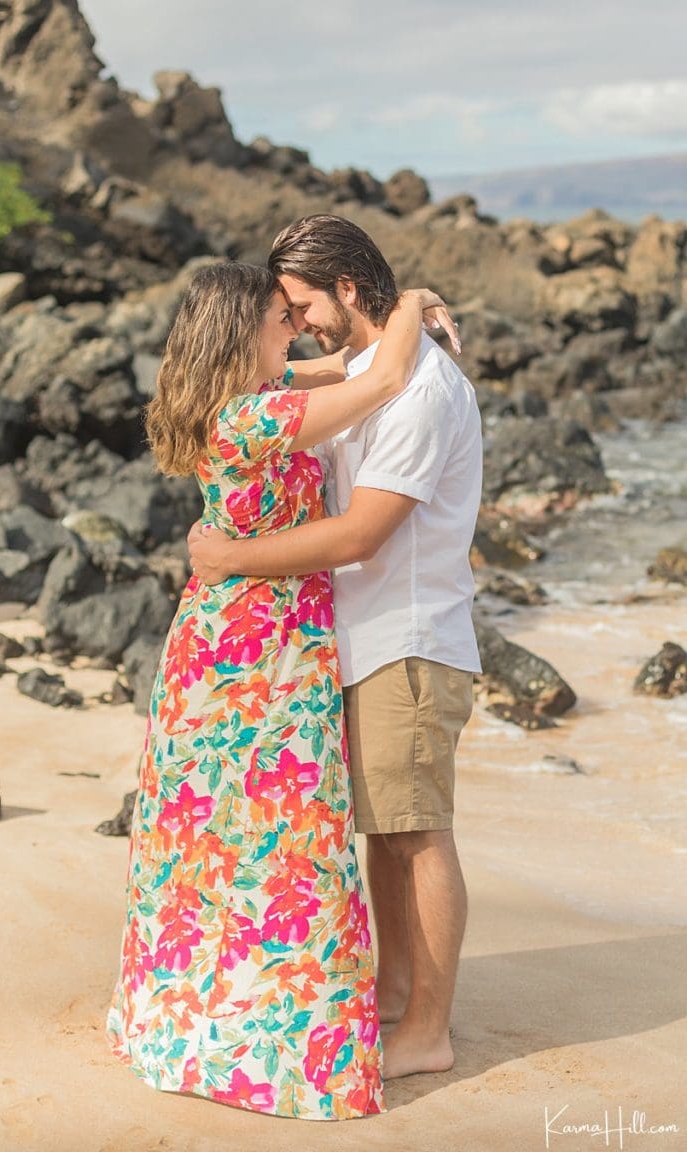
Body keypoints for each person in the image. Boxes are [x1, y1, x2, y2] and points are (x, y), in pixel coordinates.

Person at [106, 260, 451, 1120]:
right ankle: (277, 1029)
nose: (290, 330)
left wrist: (357, 342)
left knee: (209, 838)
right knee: (284, 834)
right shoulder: (261, 415)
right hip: (262, 652)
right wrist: (410, 302)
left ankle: (191, 1003)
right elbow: (393, 377)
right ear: (238, 331)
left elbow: (344, 368)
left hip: (213, 642)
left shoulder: (225, 400)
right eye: (275, 318)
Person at [188, 215, 483, 1081]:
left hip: (412, 638)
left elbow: (360, 535)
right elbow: (297, 375)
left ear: (347, 290)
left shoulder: (423, 390)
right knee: (383, 834)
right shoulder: (363, 367)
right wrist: (410, 306)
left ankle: (427, 1028)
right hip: (361, 639)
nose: (299, 321)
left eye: (304, 303)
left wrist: (228, 557)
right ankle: (394, 999)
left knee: (419, 834)